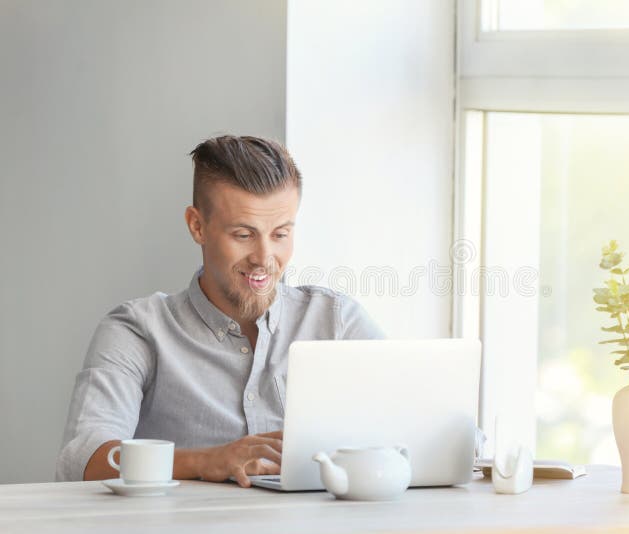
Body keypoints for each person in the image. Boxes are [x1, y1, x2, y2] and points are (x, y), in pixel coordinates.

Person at [55, 135, 384, 486]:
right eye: (243, 235)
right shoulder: (138, 330)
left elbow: (408, 422)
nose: (264, 257)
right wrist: (207, 460)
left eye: (280, 234)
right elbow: (83, 460)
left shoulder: (336, 321)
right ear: (197, 226)